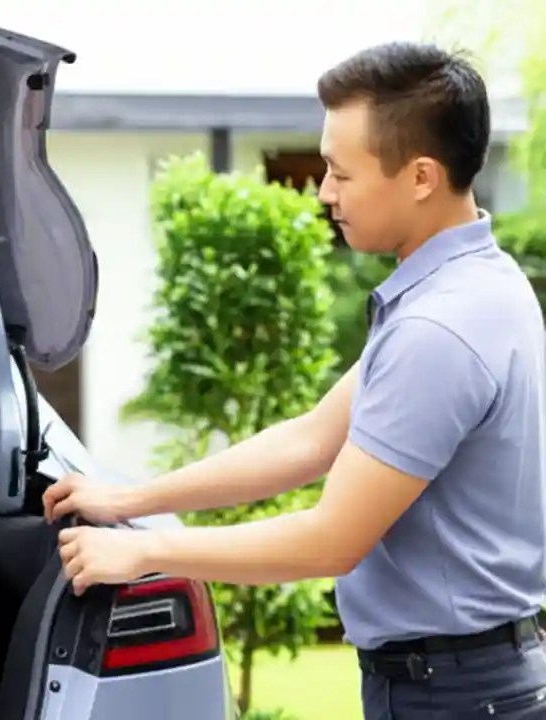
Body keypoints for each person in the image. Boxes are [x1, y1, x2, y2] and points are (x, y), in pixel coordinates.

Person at [45, 41, 546, 718]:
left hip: (451, 694)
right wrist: (129, 500)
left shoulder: (441, 330)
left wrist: (145, 555)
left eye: (341, 172)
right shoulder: (475, 285)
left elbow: (332, 538)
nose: (324, 191)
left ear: (421, 176)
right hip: (467, 679)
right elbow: (310, 441)